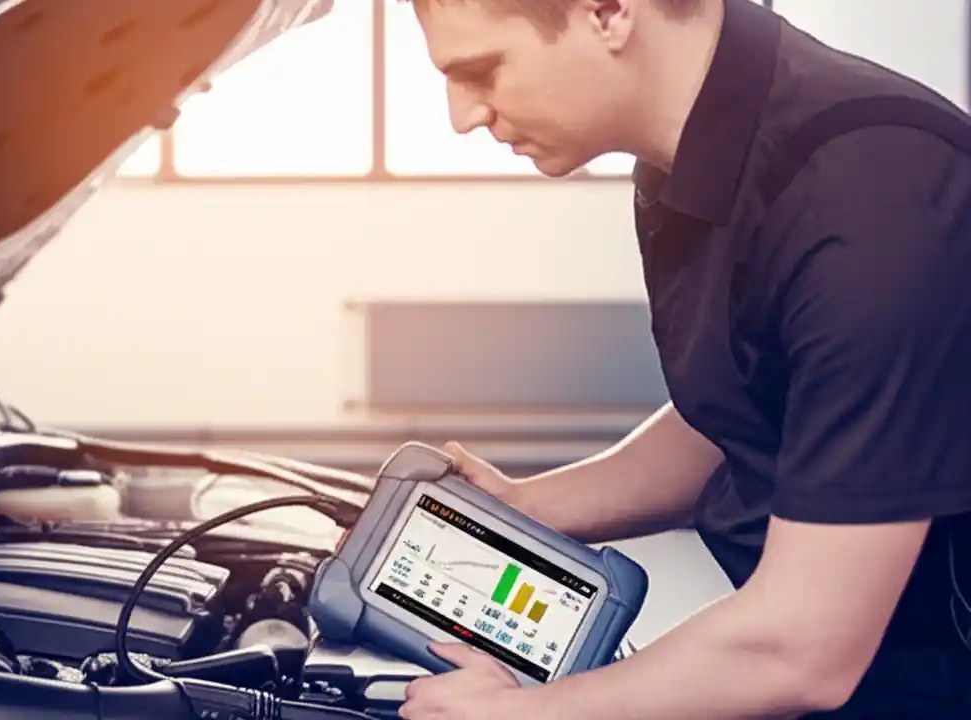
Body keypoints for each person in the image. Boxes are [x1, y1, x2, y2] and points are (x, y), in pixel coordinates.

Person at [394, 0, 971, 718]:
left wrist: (520, 713)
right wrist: (528, 508)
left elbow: (802, 648)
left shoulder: (873, 198)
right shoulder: (693, 161)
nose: (461, 115)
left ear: (608, 11)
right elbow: (756, 393)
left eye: (481, 70)